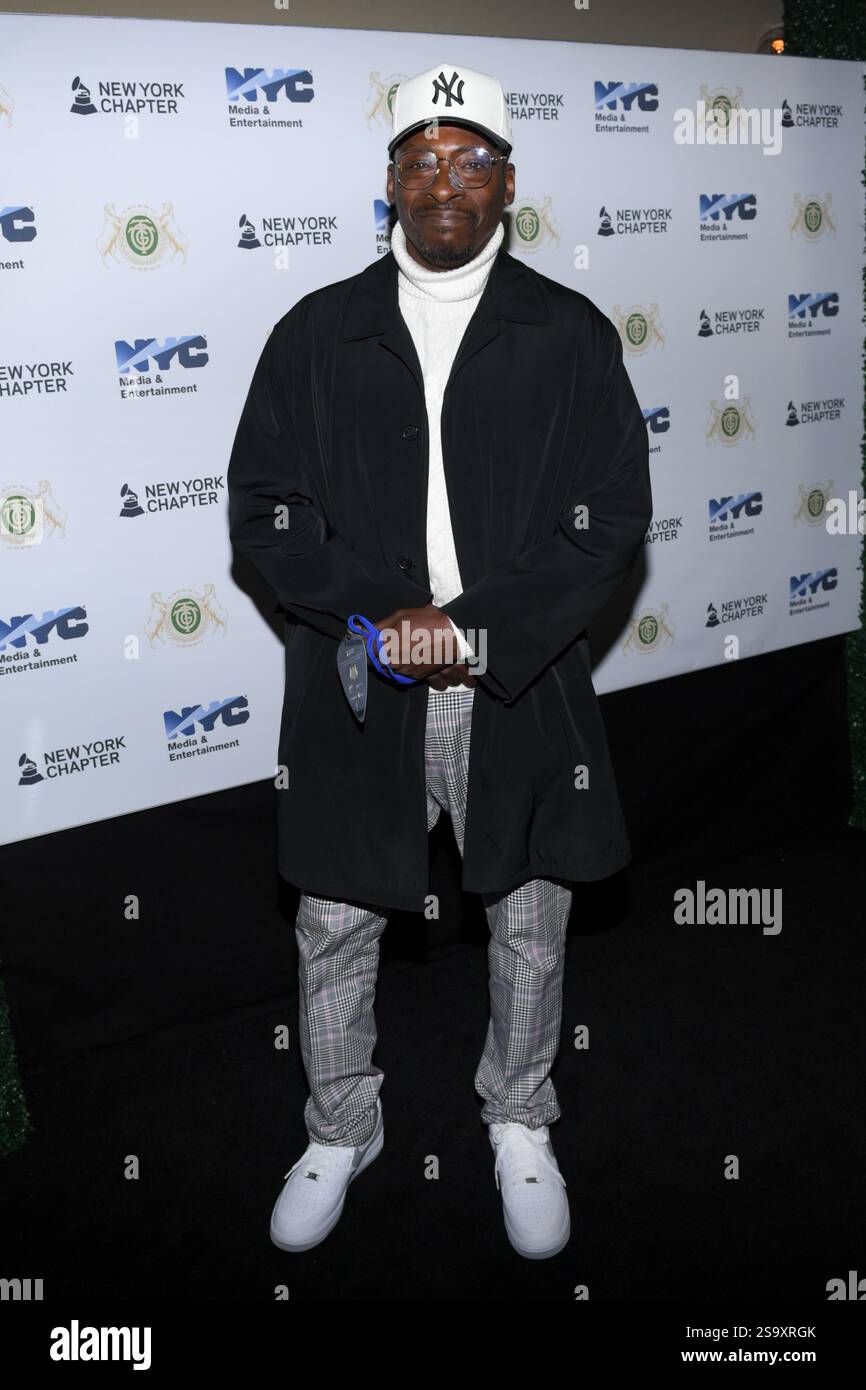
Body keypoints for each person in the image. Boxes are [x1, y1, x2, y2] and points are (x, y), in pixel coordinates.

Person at [227, 61, 653, 1260]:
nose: (446, 182)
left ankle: (519, 1114)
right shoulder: (315, 332)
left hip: (513, 681)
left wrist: (474, 630)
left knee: (526, 913)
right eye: (422, 160)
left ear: (508, 180)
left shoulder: (565, 333)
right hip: (361, 685)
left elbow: (609, 516)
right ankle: (339, 1124)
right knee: (332, 918)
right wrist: (389, 614)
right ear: (390, 185)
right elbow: (265, 513)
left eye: (471, 160)